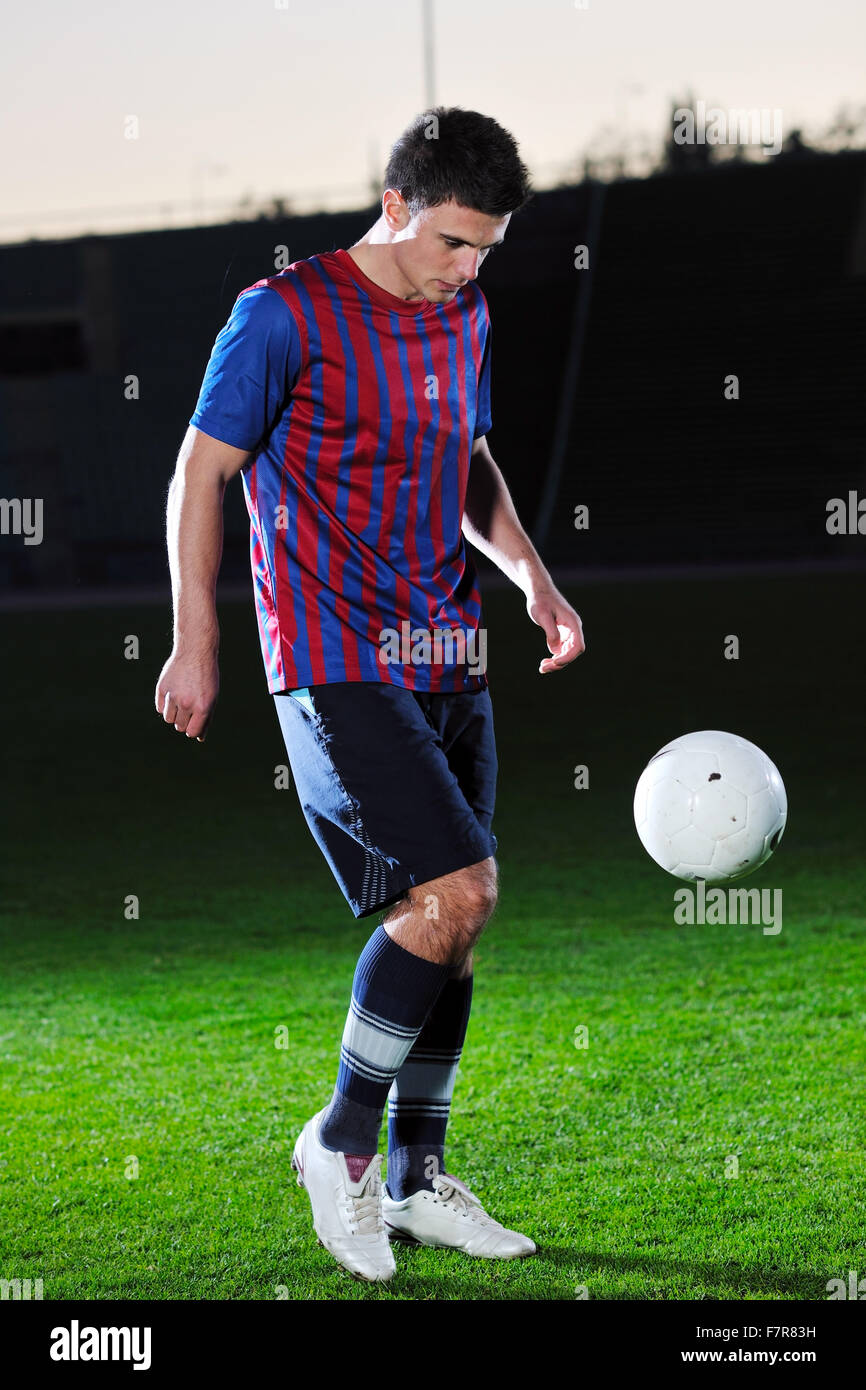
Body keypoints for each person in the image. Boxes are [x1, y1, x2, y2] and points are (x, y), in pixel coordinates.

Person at [155, 106, 585, 1284]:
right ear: (394, 203)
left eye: (486, 249)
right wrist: (199, 639)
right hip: (333, 654)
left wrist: (533, 582)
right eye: (452, 241)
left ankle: (414, 1178)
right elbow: (201, 472)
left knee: (452, 924)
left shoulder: (468, 313)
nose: (467, 268)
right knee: (459, 888)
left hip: (447, 651)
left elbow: (470, 460)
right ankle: (339, 1143)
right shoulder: (280, 314)